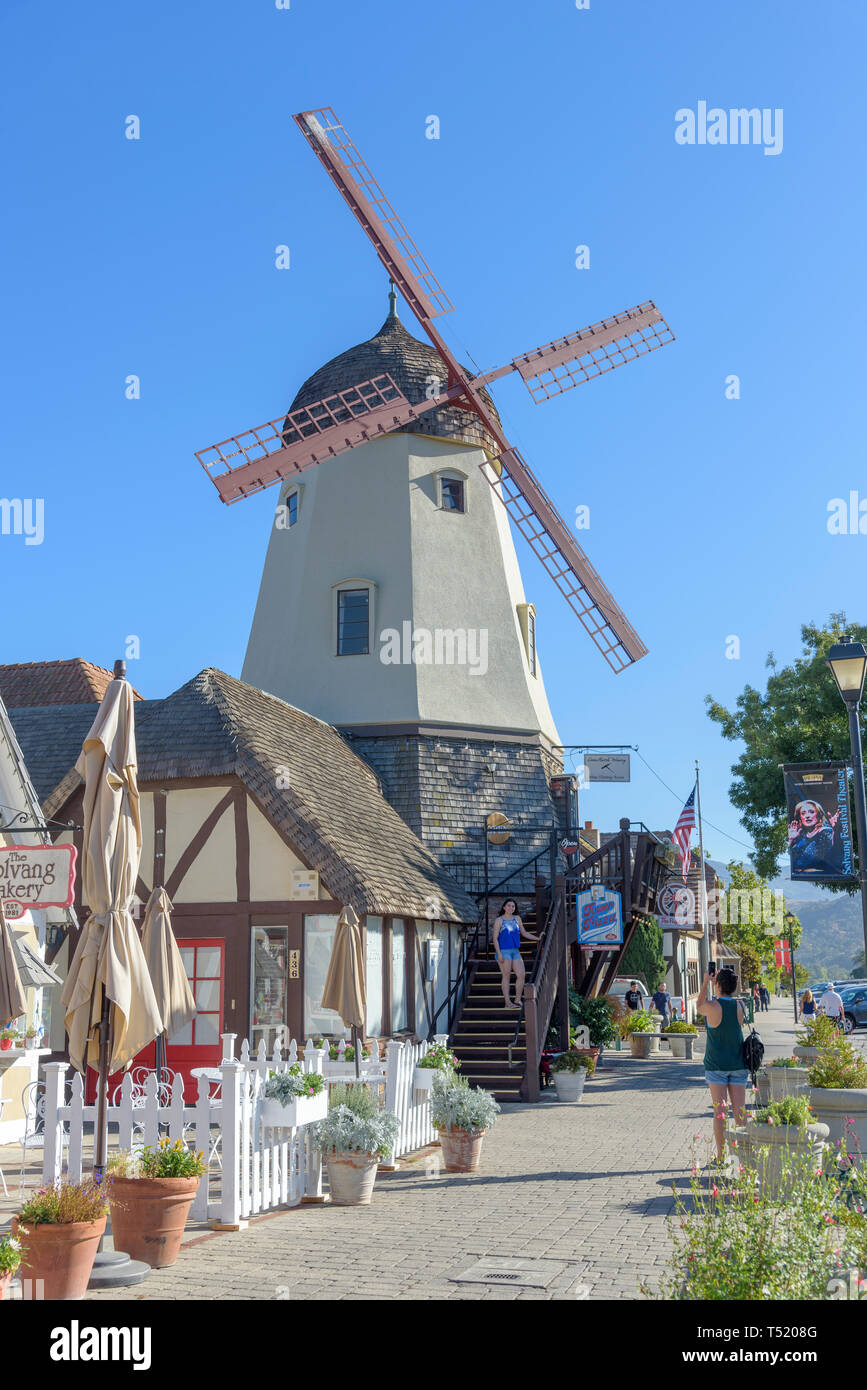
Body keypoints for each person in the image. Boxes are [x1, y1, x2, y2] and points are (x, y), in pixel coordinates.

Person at [697, 966, 747, 1165]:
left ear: (717, 985)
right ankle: (743, 1156)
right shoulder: (740, 1006)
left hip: (716, 1064)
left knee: (720, 1112)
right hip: (737, 1063)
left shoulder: (712, 1006)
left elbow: (699, 1006)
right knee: (740, 1112)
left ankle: (721, 1156)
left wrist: (704, 983)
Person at [493, 899, 540, 1010]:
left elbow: (524, 933)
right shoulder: (499, 920)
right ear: (504, 907)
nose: (511, 908)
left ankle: (517, 1000)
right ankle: (507, 1003)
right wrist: (499, 954)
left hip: (515, 951)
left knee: (521, 975)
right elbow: (495, 938)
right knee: (506, 976)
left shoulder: (517, 919)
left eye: (513, 906)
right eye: (509, 905)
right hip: (504, 951)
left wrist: (537, 938)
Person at [788, 799, 843, 877]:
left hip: (819, 876)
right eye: (803, 813)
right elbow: (792, 861)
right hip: (802, 879)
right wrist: (791, 840)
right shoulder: (800, 836)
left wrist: (835, 830)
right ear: (800, 818)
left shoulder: (826, 832)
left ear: (819, 815)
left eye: (811, 812)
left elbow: (806, 861)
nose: (807, 816)